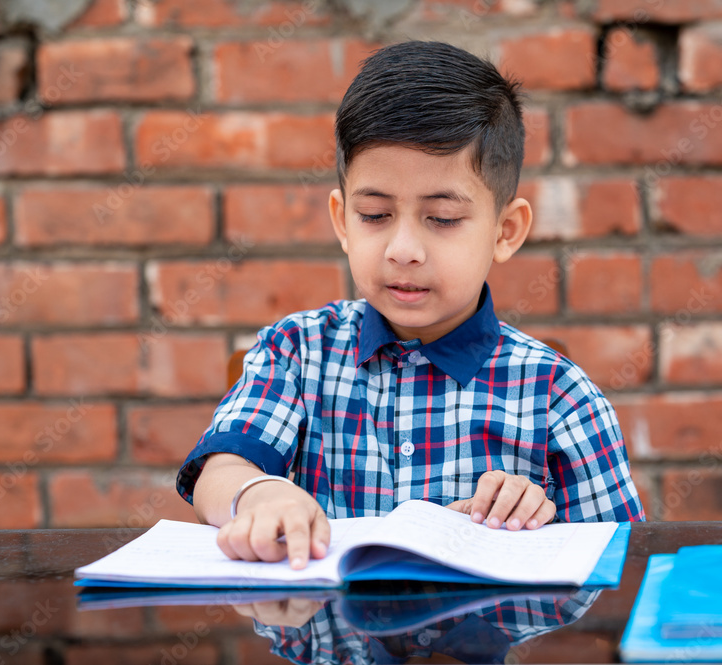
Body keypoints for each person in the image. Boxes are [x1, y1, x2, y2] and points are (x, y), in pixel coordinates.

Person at [176, 40, 644, 569]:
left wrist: (539, 524)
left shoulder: (560, 397)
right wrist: (258, 495)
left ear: (505, 231)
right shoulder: (297, 352)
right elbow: (218, 473)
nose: (403, 251)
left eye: (442, 220)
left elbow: (620, 567)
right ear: (341, 221)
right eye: (374, 215)